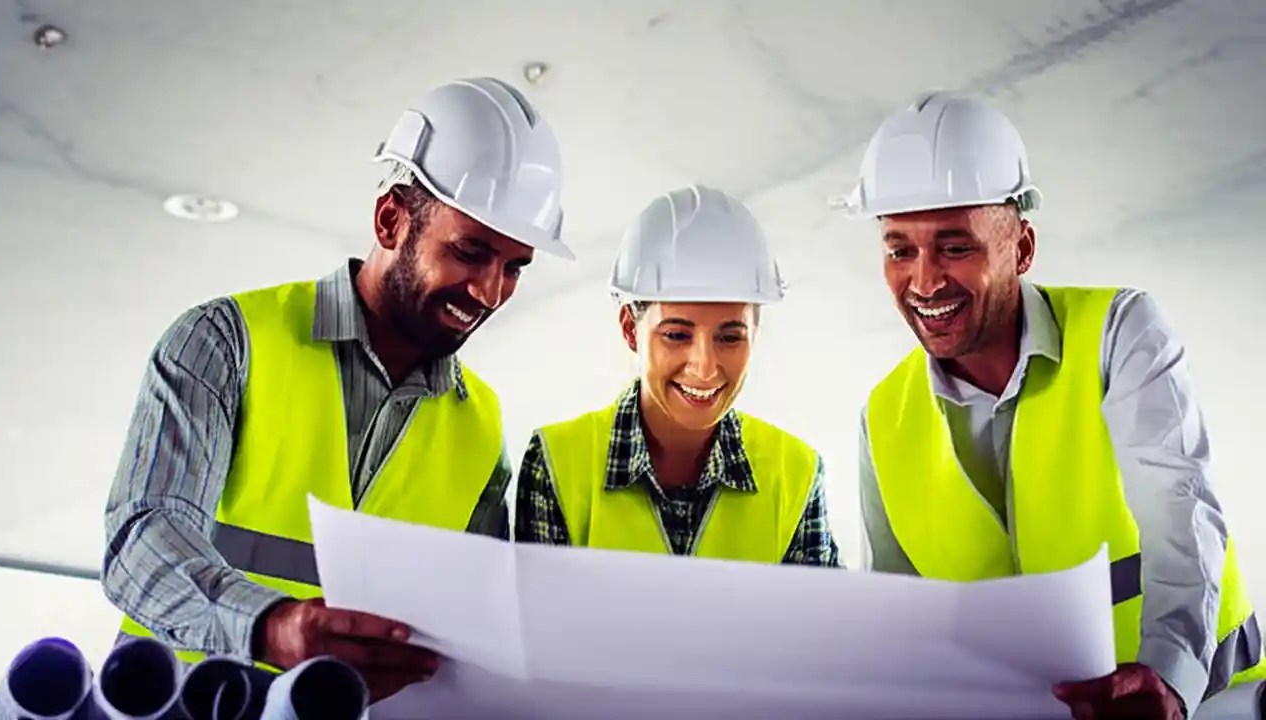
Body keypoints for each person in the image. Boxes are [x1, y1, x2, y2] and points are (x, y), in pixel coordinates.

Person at [101, 76, 574, 702]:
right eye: (469, 252)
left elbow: (471, 640)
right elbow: (141, 542)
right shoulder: (226, 343)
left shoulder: (481, 427)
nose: (489, 291)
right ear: (390, 220)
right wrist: (271, 627)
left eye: (514, 268)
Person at [845, 91, 1264, 718]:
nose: (924, 281)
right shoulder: (882, 417)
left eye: (955, 247)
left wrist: (1169, 675)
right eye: (900, 249)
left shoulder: (1119, 333)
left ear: (1022, 248)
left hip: (1206, 699)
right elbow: (899, 626)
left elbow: (1181, 510)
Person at [514, 184, 843, 567]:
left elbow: (813, 624)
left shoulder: (797, 474)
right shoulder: (555, 463)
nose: (704, 367)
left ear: (756, 334)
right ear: (629, 329)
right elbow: (541, 622)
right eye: (676, 335)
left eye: (730, 337)